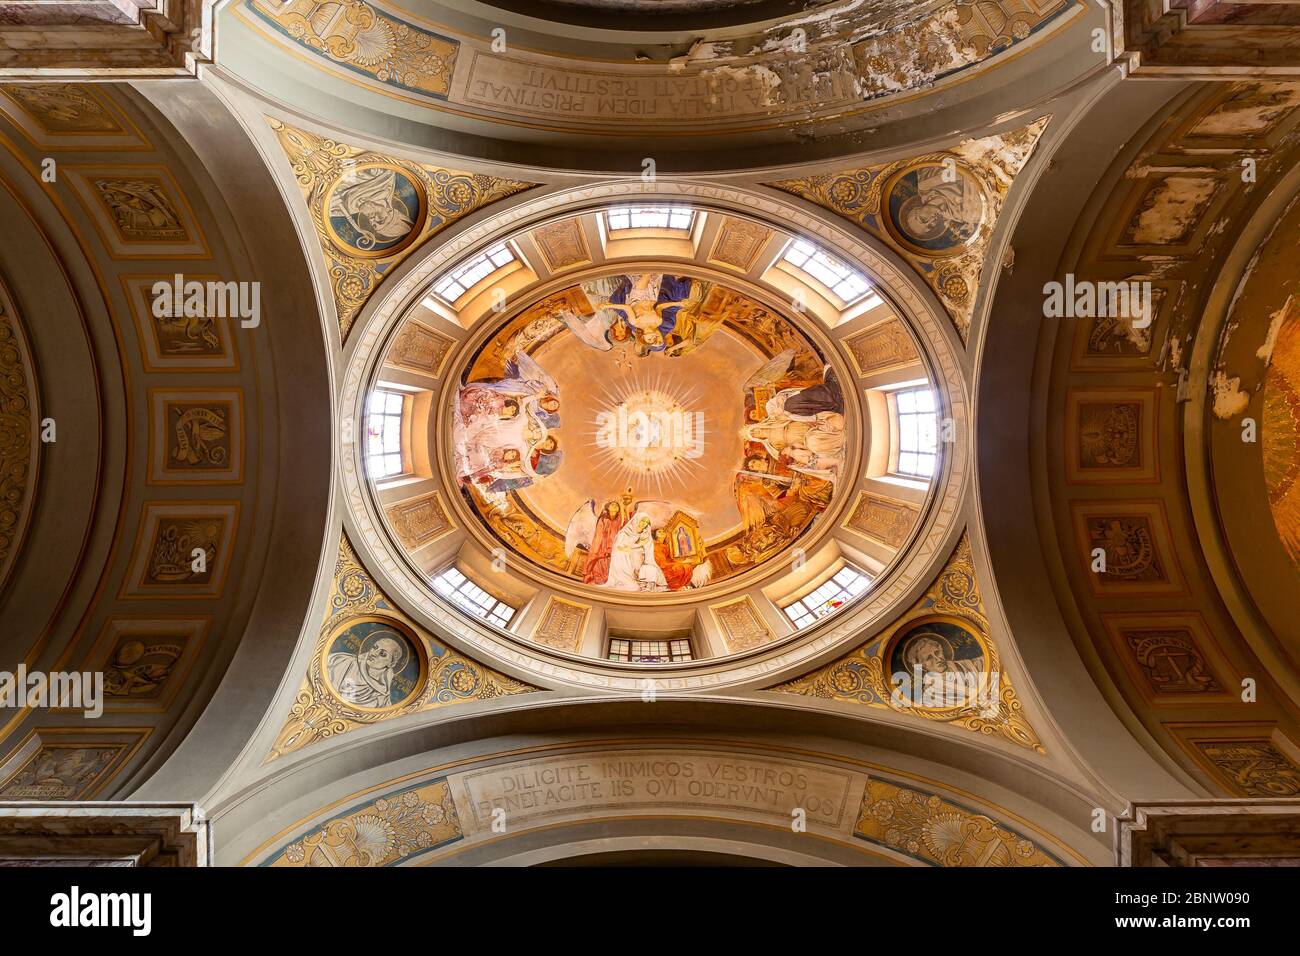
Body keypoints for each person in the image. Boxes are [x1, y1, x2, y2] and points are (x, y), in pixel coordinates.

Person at [328, 632, 408, 708]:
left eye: (382, 654)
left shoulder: (383, 696)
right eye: (374, 648)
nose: (373, 653)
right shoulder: (345, 662)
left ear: (391, 663)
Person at [604, 512, 668, 591]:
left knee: (649, 568)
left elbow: (648, 549)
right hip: (627, 561)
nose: (644, 524)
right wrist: (632, 549)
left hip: (641, 561)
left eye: (646, 522)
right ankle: (629, 578)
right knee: (633, 586)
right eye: (642, 521)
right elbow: (618, 549)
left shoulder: (646, 534)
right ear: (636, 520)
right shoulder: (624, 533)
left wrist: (638, 548)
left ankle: (646, 582)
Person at [582, 499, 627, 585]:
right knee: (600, 566)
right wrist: (599, 552)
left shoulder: (619, 520)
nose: (615, 506)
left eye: (616, 505)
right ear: (608, 507)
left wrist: (625, 507)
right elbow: (598, 537)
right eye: (612, 504)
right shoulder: (603, 520)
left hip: (614, 550)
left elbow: (626, 525)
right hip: (602, 548)